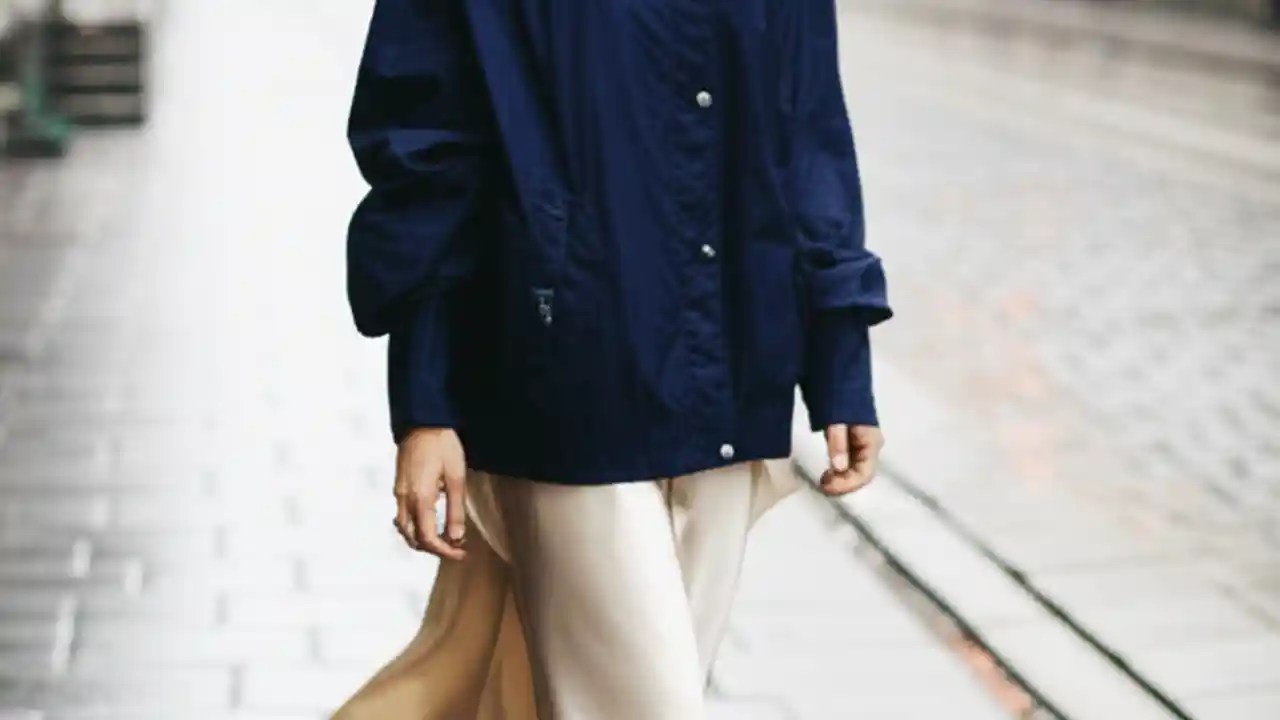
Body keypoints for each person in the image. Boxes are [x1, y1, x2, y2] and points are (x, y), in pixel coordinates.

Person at [332, 0, 893, 717]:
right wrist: (425, 400)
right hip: (565, 368)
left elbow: (811, 131)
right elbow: (423, 145)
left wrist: (841, 356)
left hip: (733, 372)